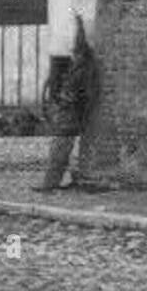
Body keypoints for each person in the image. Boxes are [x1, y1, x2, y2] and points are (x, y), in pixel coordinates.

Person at [35, 16, 98, 191]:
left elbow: (83, 92)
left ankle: (50, 184)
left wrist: (66, 99)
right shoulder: (80, 66)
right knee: (59, 148)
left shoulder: (83, 68)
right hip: (68, 115)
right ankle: (51, 182)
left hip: (70, 115)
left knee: (60, 149)